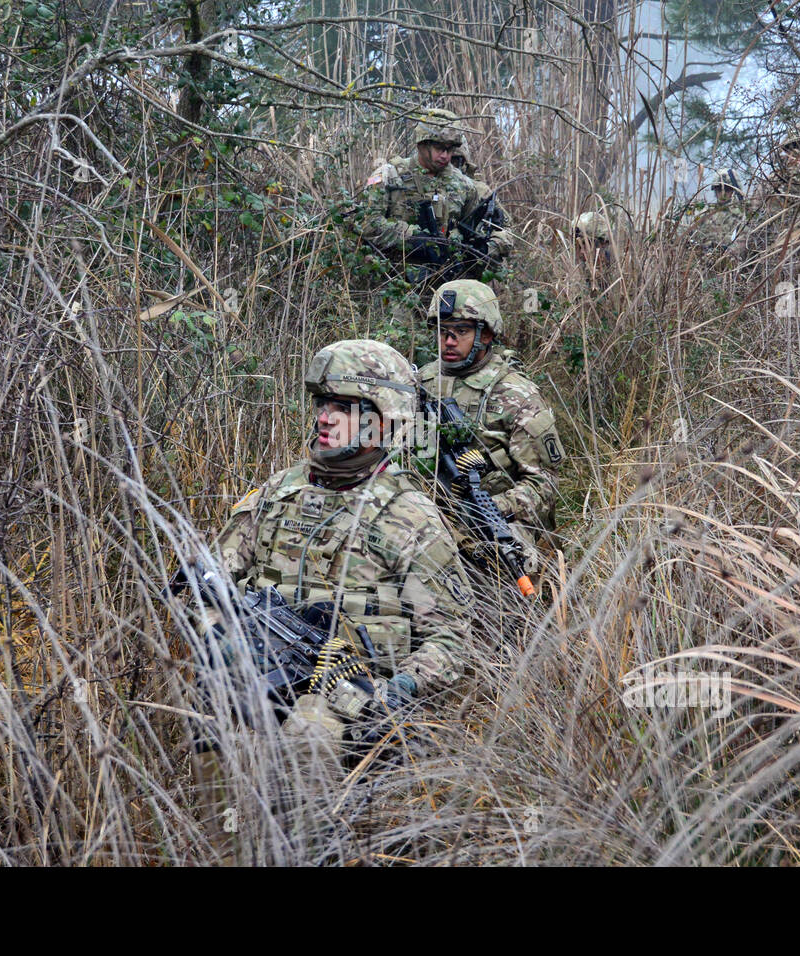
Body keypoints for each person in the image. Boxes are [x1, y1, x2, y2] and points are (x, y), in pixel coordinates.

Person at [207, 338, 474, 760]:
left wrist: (400, 689)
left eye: (344, 408)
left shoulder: (409, 515)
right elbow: (211, 580)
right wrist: (219, 635)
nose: (324, 419)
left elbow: (452, 636)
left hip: (351, 702)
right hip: (255, 678)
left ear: (382, 421)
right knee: (215, 737)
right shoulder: (280, 491)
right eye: (321, 405)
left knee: (308, 738)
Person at [417, 281, 564, 579]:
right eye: (443, 331)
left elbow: (544, 485)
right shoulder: (421, 381)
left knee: (502, 564)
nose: (448, 341)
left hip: (495, 516)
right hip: (427, 506)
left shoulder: (517, 394)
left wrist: (492, 507)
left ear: (485, 334)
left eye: (460, 332)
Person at [355, 109, 512, 279]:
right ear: (422, 144)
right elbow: (367, 224)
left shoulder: (464, 185)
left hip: (448, 281)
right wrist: (413, 237)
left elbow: (478, 230)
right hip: (393, 280)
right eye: (439, 148)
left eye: (450, 149)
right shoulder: (389, 176)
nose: (445, 155)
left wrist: (479, 248)